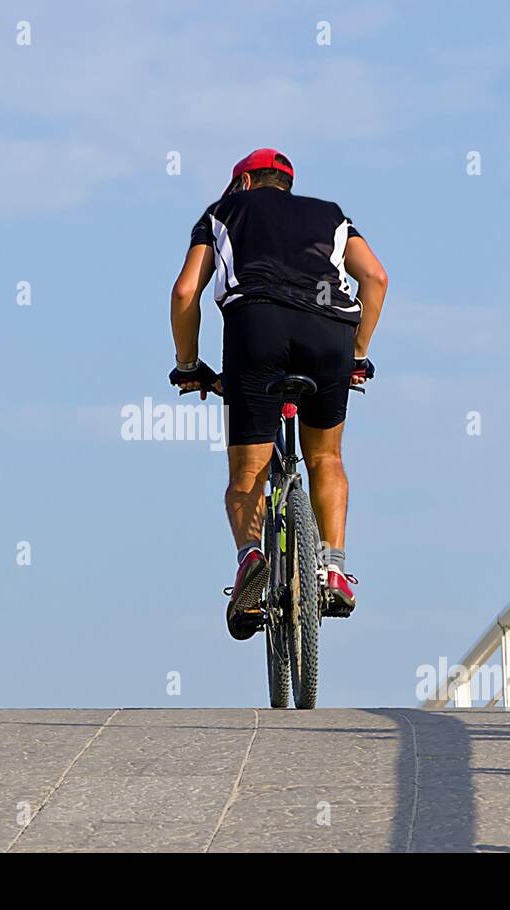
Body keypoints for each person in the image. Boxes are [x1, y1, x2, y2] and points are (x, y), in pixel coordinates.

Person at [167, 148, 387, 639]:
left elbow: (185, 292)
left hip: (257, 327)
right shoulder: (331, 214)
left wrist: (189, 367)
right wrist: (356, 355)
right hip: (329, 332)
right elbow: (375, 278)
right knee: (326, 458)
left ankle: (251, 559)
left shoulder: (223, 212)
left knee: (248, 471)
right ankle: (333, 569)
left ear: (244, 184)